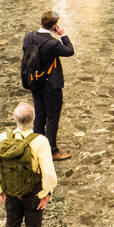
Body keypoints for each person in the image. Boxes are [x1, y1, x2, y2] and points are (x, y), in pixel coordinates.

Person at [23, 12, 73, 161]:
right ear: (54, 26)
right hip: (51, 85)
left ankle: (37, 145)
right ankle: (52, 150)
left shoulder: (29, 36)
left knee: (40, 114)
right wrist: (63, 35)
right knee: (52, 117)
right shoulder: (52, 43)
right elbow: (69, 51)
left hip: (35, 81)